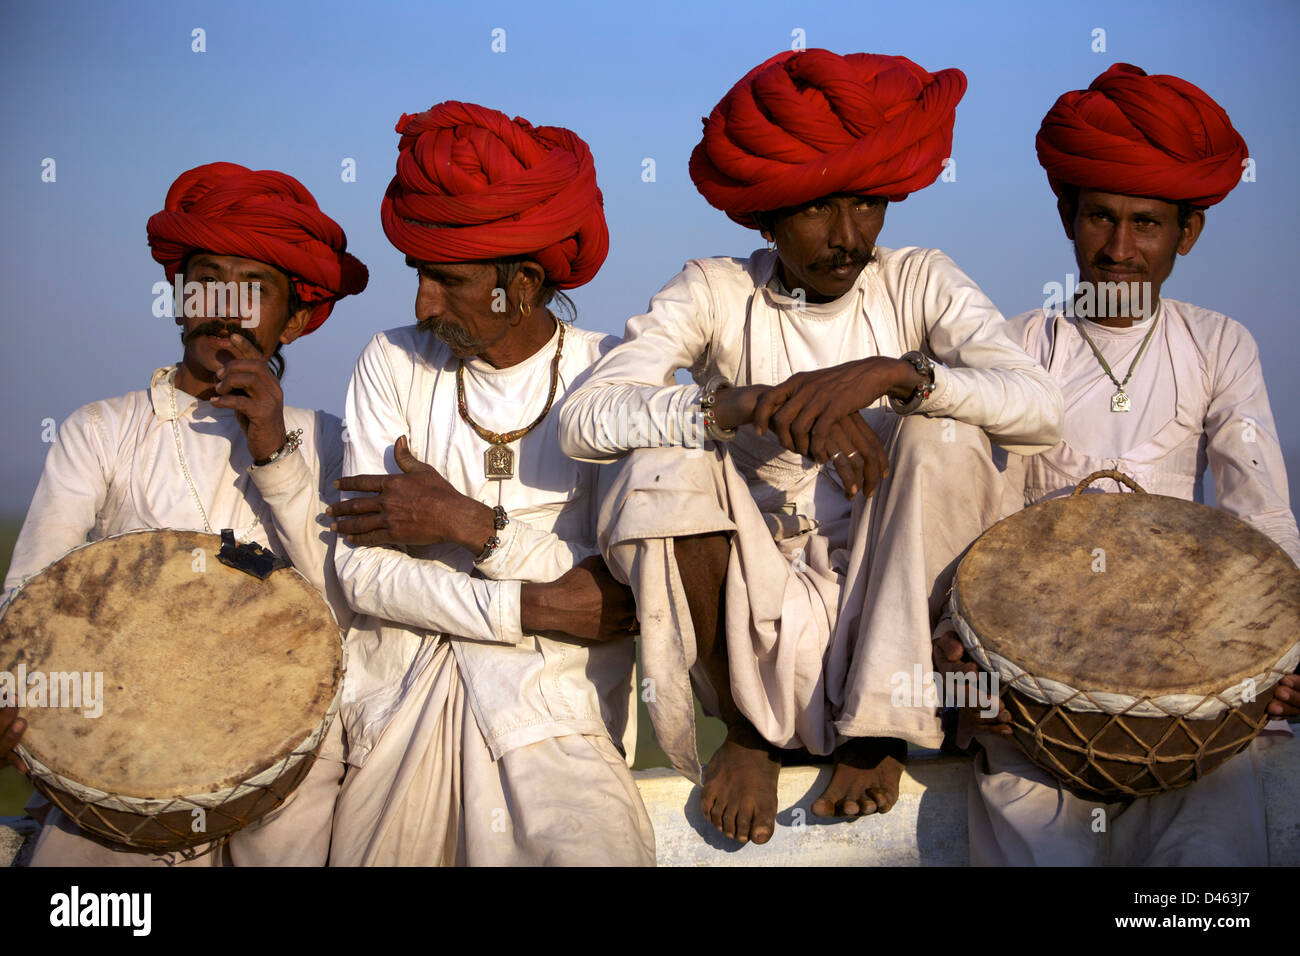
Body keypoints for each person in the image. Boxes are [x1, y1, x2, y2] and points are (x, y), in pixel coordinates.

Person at [557, 49, 1063, 845]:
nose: (849, 237)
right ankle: (748, 737)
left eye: (867, 206)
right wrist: (739, 406)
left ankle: (881, 728)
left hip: (891, 590)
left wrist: (898, 375)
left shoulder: (920, 281)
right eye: (819, 211)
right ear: (767, 218)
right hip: (756, 597)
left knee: (952, 435)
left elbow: (1041, 408)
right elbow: (583, 421)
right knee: (654, 465)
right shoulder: (717, 290)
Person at [939, 63, 1300, 865]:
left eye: (1148, 224)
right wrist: (962, 670)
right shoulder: (1016, 346)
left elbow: (1260, 511)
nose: (1122, 249)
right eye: (1101, 218)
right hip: (1035, 699)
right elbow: (964, 527)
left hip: (1189, 691)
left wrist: (1284, 656)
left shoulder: (1219, 344)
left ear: (1188, 233)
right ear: (1068, 217)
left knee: (1205, 897)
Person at [1, 161, 368, 866]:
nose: (223, 307)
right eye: (206, 279)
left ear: (293, 317)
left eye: (253, 288)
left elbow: (342, 607)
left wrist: (272, 452)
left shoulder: (324, 439)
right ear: (178, 295)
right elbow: (32, 595)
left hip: (291, 756)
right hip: (126, 749)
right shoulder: (101, 429)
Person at [325, 101, 655, 866]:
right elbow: (364, 572)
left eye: (449, 281)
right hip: (402, 702)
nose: (422, 305)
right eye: (420, 275)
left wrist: (469, 525)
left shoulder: (610, 377)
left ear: (524, 282)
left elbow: (616, 599)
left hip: (557, 716)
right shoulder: (393, 360)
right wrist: (532, 603)